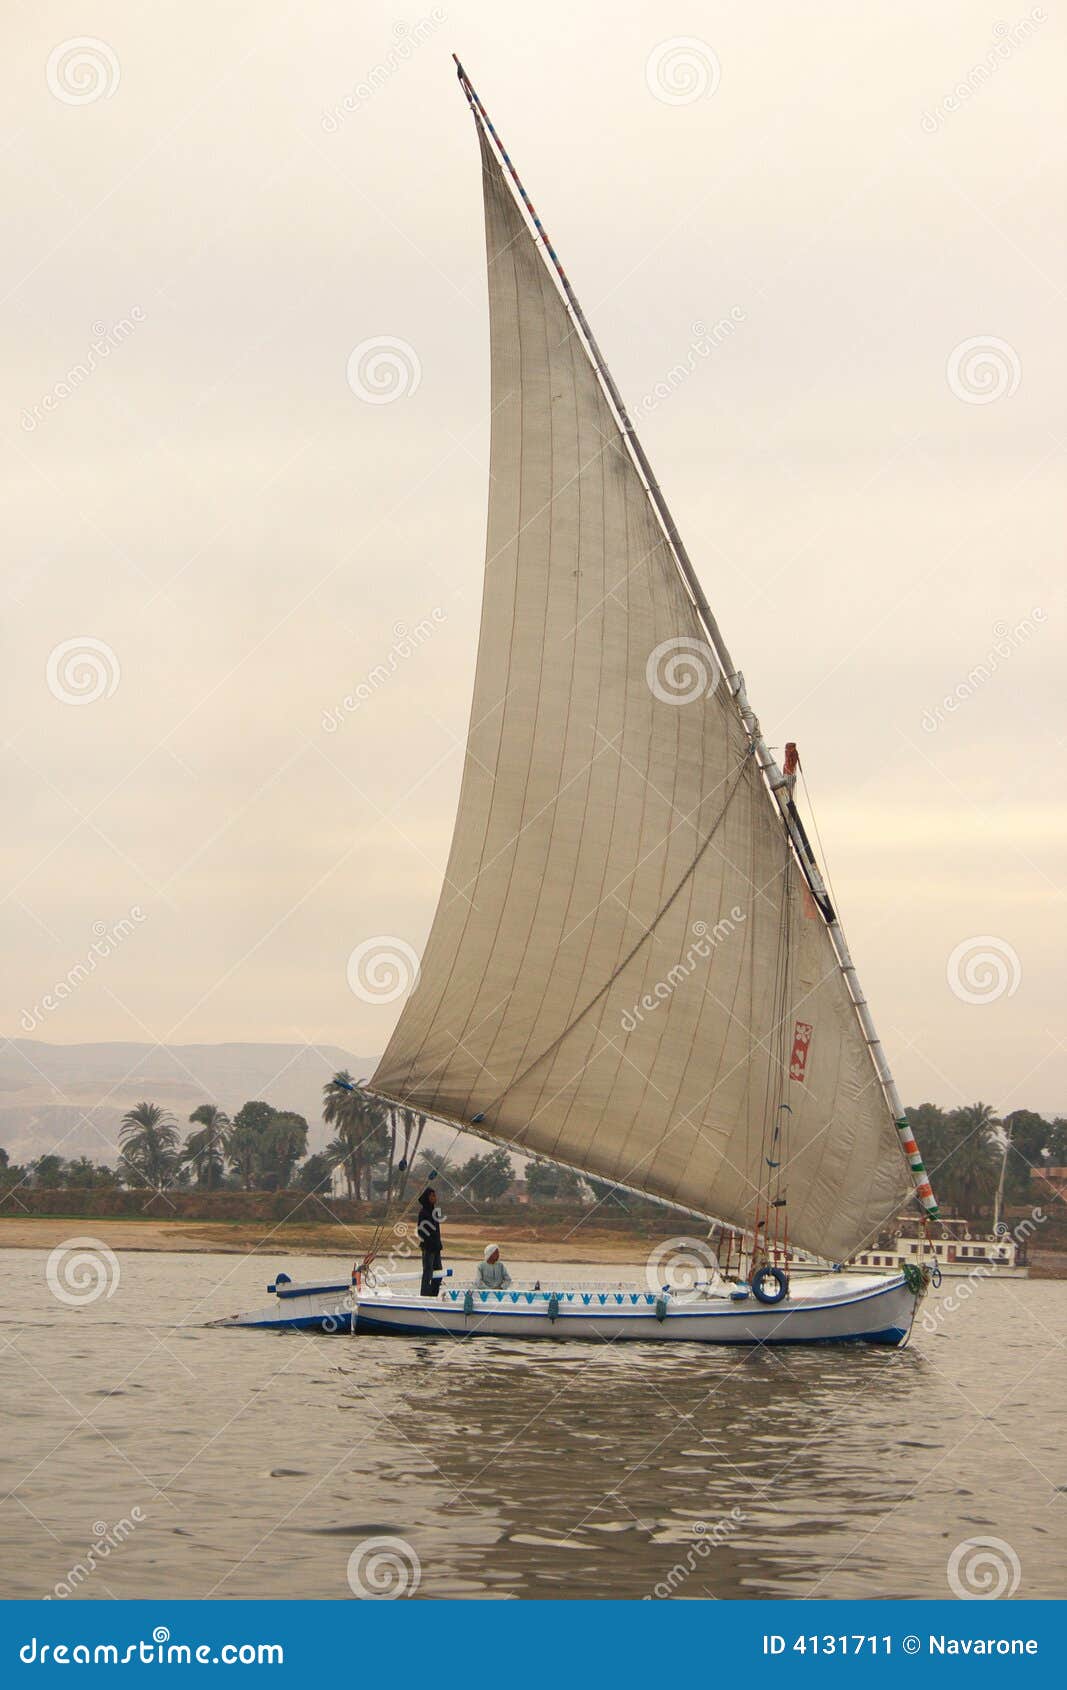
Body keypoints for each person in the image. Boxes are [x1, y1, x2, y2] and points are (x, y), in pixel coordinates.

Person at [416, 1186, 443, 1297]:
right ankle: (424, 1295)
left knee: (439, 1272)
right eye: (432, 1196)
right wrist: (430, 1242)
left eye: (435, 1195)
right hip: (428, 1247)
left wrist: (439, 1244)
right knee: (428, 1272)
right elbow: (421, 1231)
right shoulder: (423, 1212)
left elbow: (437, 1230)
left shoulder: (435, 1212)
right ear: (427, 1197)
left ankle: (433, 1294)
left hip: (436, 1247)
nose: (434, 1198)